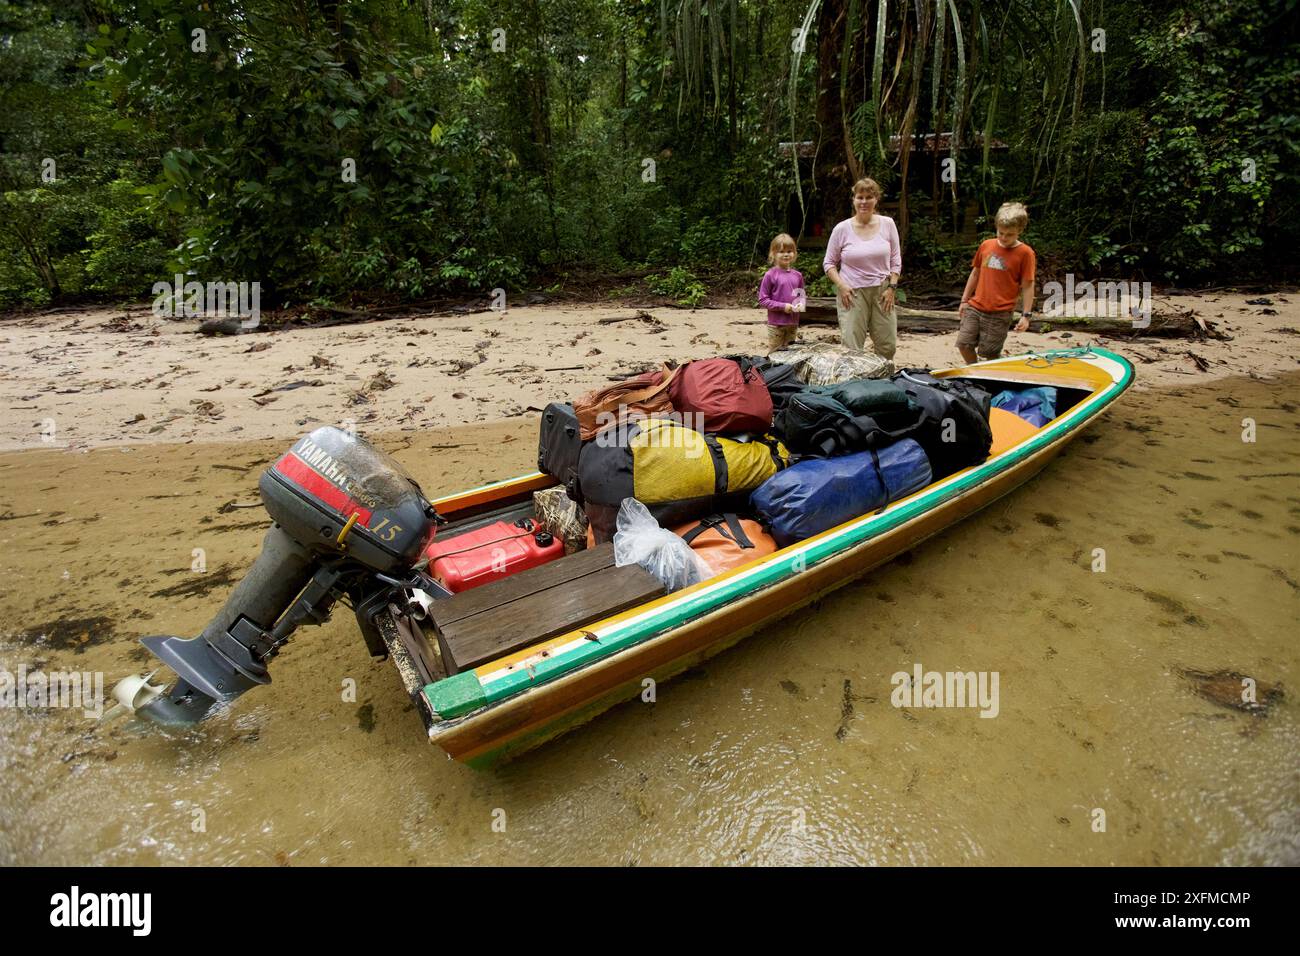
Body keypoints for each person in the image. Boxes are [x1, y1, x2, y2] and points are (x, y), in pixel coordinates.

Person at [822, 178, 902, 359]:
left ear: (876, 199)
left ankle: (882, 383)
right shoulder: (842, 229)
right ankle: (855, 385)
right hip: (852, 292)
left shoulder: (888, 224)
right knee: (852, 348)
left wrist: (892, 287)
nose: (864, 202)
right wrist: (841, 286)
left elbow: (896, 259)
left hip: (882, 291)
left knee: (887, 346)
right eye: (860, 197)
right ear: (854, 200)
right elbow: (829, 263)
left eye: (869, 197)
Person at [957, 202, 1037, 364]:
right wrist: (964, 300)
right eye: (1001, 233)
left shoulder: (1025, 253)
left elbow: (1028, 285)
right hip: (976, 306)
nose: (1004, 238)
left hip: (1000, 312)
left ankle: (992, 373)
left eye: (1010, 234)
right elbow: (975, 273)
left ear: (1019, 231)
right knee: (964, 344)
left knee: (989, 352)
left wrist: (1026, 316)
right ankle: (975, 372)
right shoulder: (986, 245)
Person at [757, 233, 805, 354]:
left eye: (789, 251)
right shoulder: (770, 275)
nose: (786, 254)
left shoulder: (798, 275)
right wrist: (783, 307)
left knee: (790, 354)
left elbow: (801, 296)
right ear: (773, 253)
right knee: (775, 354)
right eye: (781, 251)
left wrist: (800, 305)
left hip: (793, 323)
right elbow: (763, 300)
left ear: (794, 253)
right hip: (776, 324)